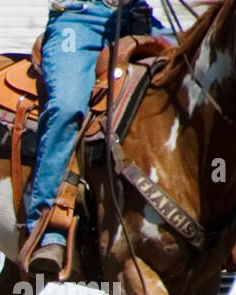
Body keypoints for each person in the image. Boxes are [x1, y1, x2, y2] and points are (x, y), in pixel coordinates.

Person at [26, 0, 155, 278]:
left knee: (201, 78)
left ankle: (227, 228)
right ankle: (48, 228)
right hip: (79, 20)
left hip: (138, 18)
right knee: (68, 107)